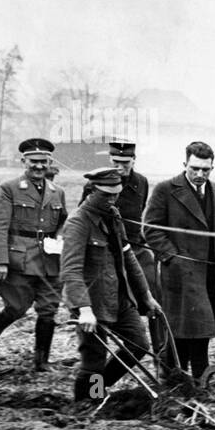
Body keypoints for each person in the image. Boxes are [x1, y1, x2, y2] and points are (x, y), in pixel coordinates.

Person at [60, 167, 161, 405]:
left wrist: (146, 296)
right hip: (91, 302)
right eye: (106, 195)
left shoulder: (113, 216)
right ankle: (89, 402)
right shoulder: (78, 222)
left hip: (119, 297)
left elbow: (129, 257)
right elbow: (71, 271)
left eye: (116, 194)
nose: (112, 199)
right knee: (94, 358)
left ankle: (98, 389)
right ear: (90, 191)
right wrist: (84, 309)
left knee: (139, 345)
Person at [143, 141, 215, 379]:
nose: (199, 174)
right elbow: (151, 228)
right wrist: (173, 258)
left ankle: (192, 379)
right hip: (180, 272)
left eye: (205, 170)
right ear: (185, 164)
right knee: (184, 329)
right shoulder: (166, 189)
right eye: (194, 168)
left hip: (211, 272)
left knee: (199, 328)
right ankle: (182, 378)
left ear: (212, 168)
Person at [80, 141, 168, 367]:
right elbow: (85, 216)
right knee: (104, 312)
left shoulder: (141, 183)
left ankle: (163, 357)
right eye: (116, 162)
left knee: (155, 299)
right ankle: (95, 390)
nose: (120, 168)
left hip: (134, 249)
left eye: (125, 163)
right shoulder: (97, 183)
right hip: (108, 252)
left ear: (134, 161)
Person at [0, 137, 68, 371]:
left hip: (50, 261)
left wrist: (60, 236)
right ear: (23, 161)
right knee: (15, 308)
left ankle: (41, 362)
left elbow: (64, 221)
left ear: (50, 161)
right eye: (34, 161)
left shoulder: (57, 191)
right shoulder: (9, 188)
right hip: (18, 260)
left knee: (49, 309)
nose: (39, 166)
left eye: (43, 161)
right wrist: (0, 262)